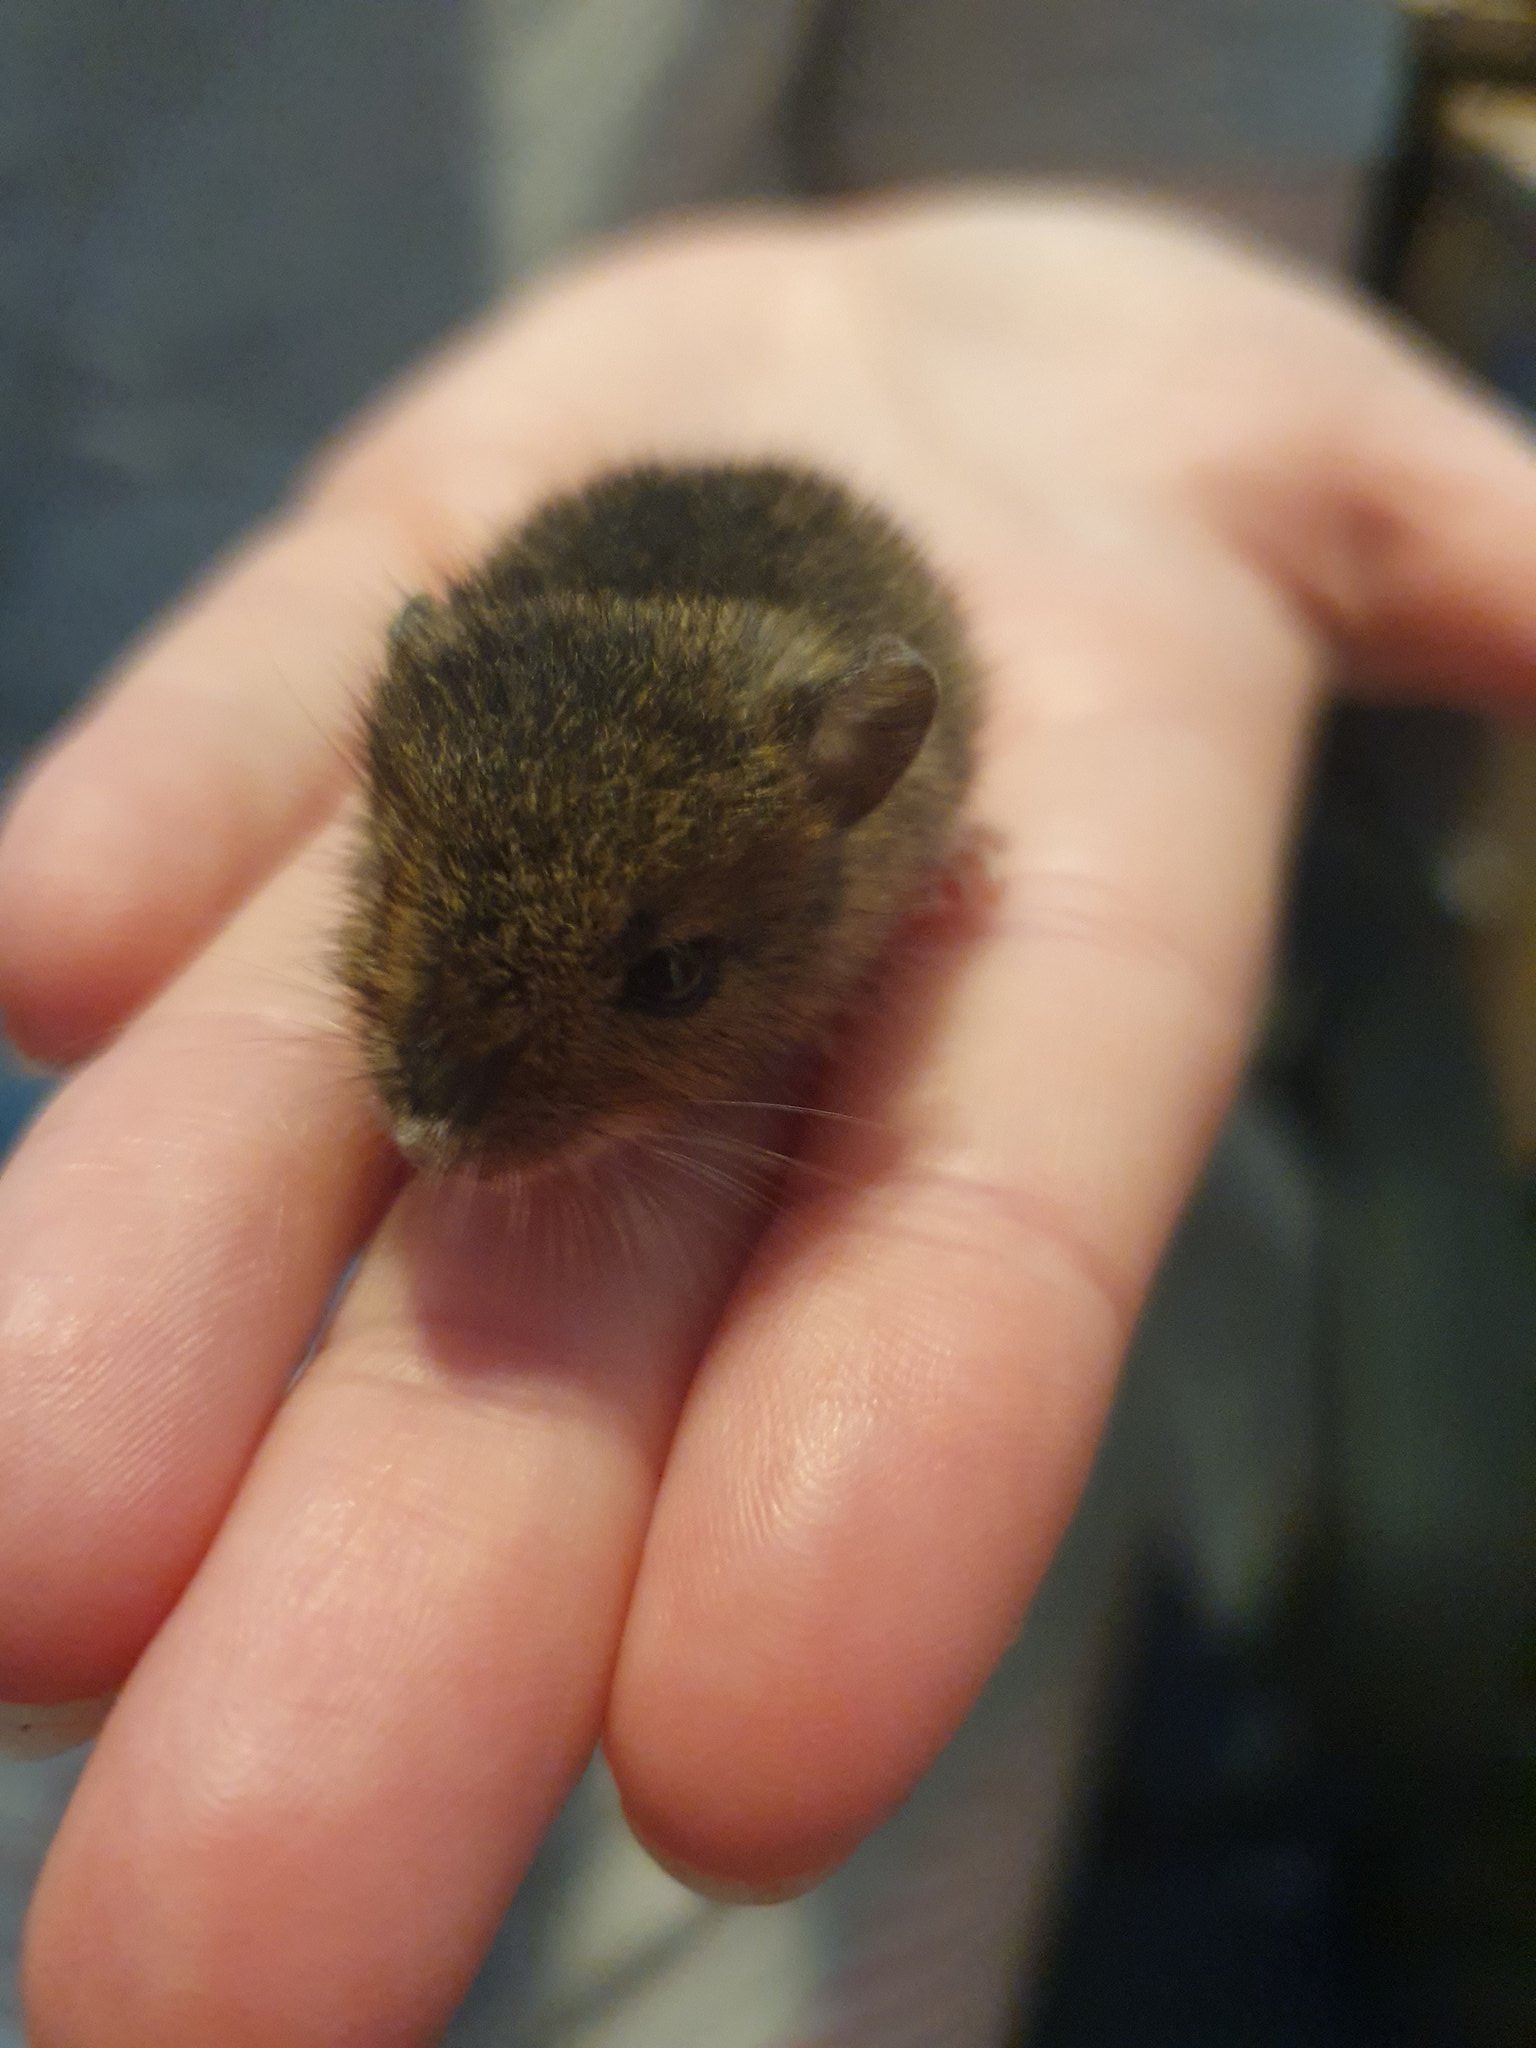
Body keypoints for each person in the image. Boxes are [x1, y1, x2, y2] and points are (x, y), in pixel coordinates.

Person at [4, 11, 1535, 2048]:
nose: (457, 1118)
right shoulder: (466, 705)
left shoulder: (844, 778)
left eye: (654, 984)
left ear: (859, 807)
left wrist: (1147, 266)